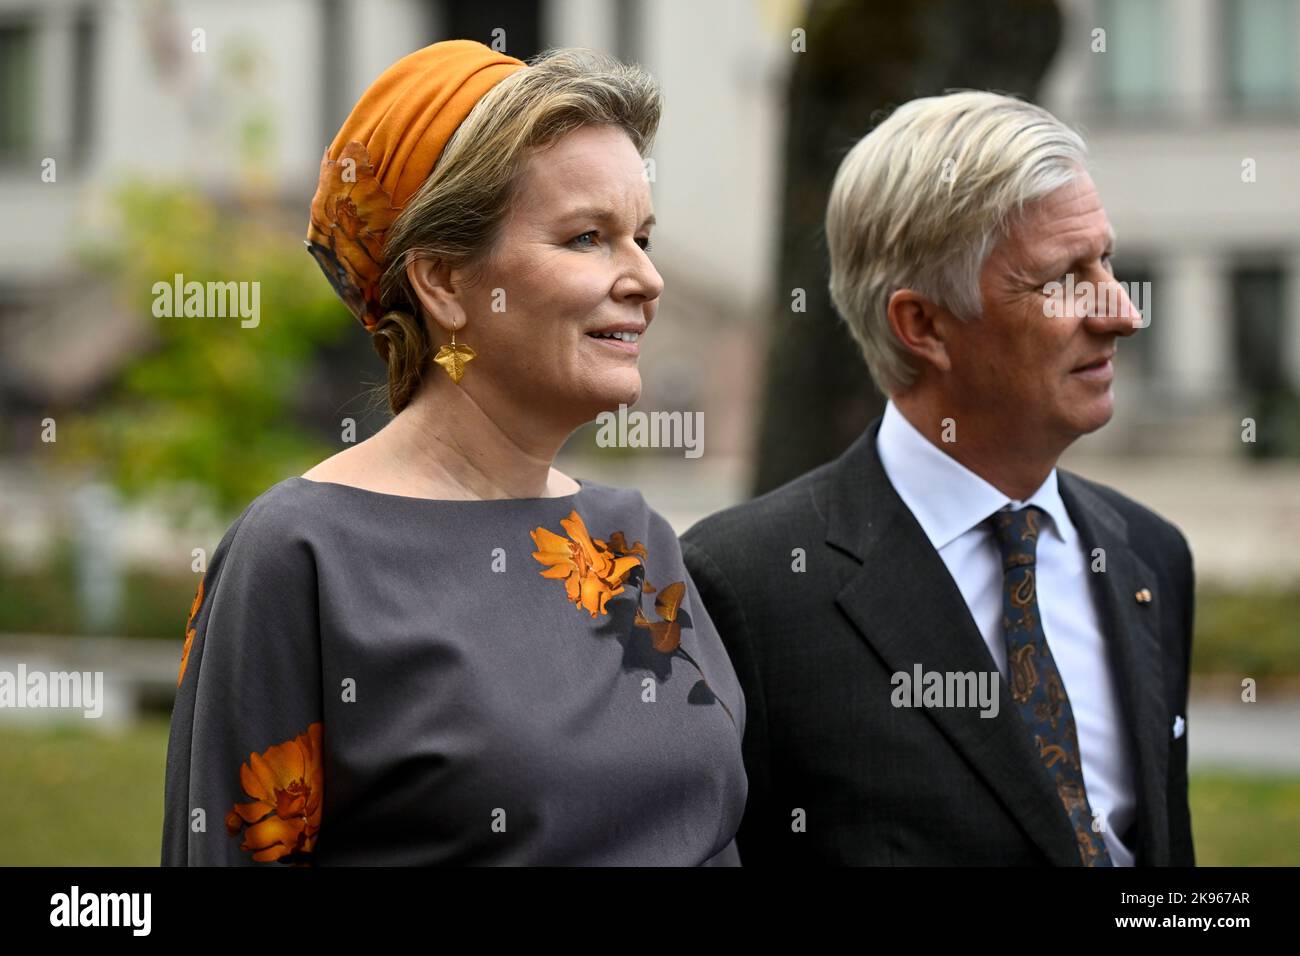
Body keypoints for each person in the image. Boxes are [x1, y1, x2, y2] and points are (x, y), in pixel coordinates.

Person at [161, 40, 746, 866]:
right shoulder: (302, 556)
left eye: (643, 236)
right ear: (442, 281)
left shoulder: (634, 541)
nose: (646, 278)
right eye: (588, 238)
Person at [681, 91, 1195, 866]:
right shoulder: (744, 587)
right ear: (922, 326)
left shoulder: (1150, 558)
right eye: (1063, 279)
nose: (1121, 310)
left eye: (1108, 261)